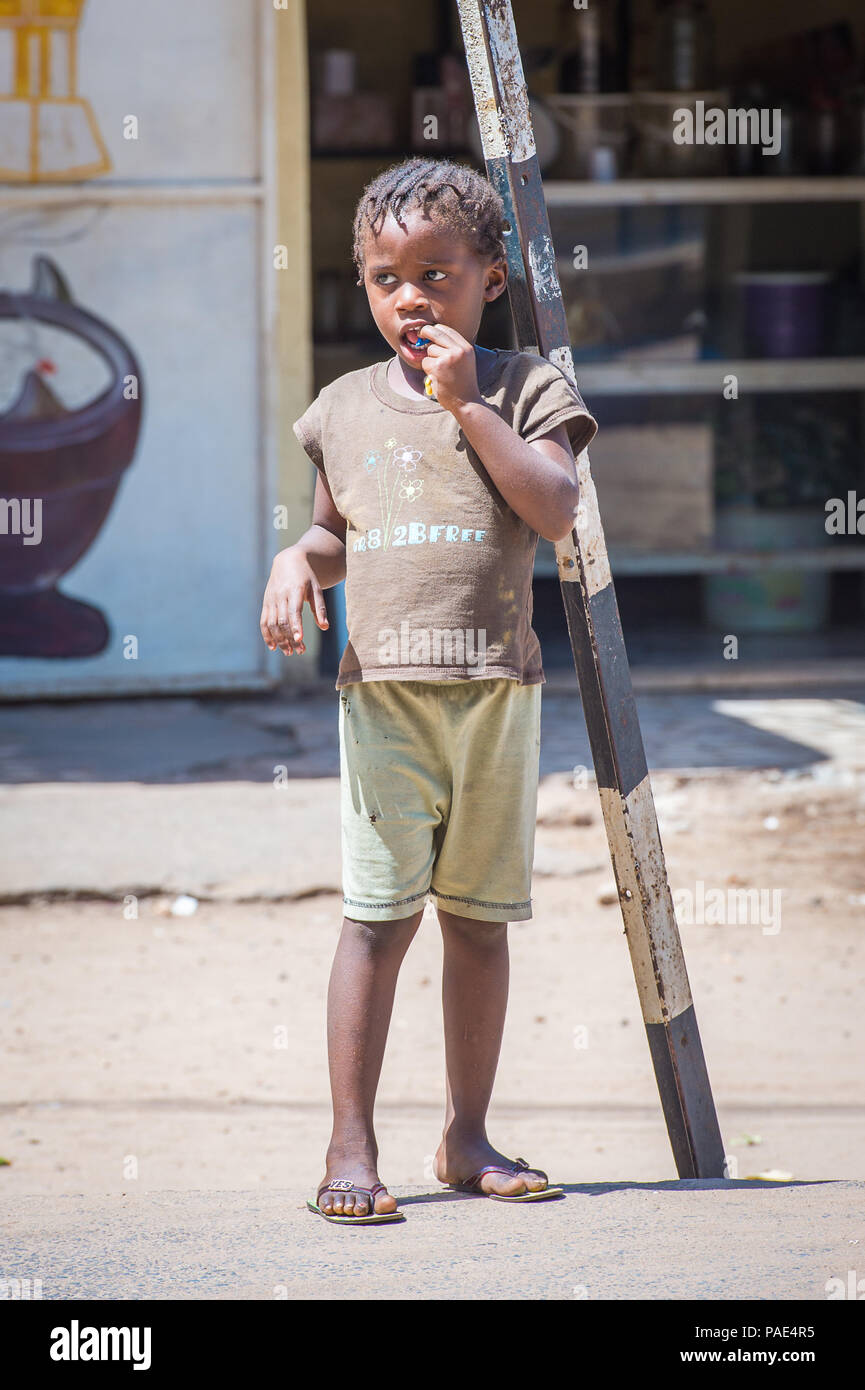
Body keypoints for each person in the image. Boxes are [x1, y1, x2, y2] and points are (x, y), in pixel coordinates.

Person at [260, 156, 597, 1224]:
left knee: (480, 922)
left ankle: (465, 1134)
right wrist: (291, 563)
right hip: (383, 700)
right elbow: (330, 534)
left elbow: (552, 508)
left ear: (489, 279)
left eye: (436, 274)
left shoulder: (527, 386)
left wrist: (468, 408)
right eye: (384, 277)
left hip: (496, 695)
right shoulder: (342, 409)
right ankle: (349, 1145)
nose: (410, 298)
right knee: (373, 919)